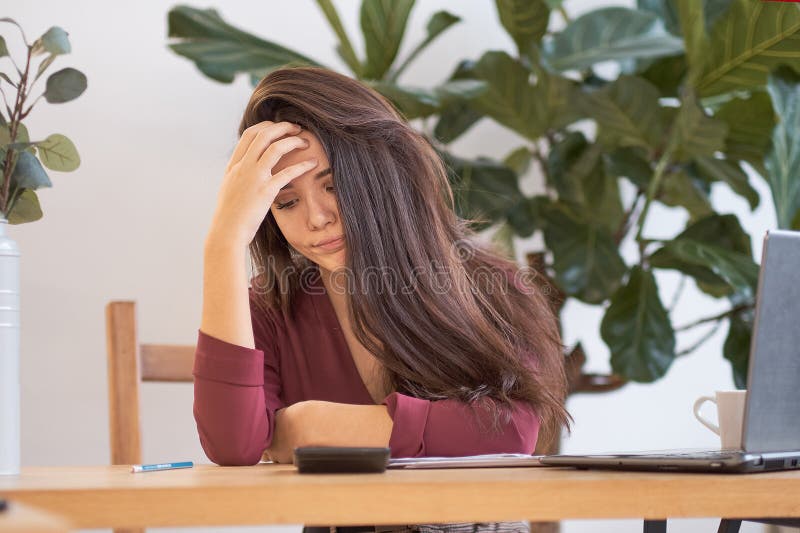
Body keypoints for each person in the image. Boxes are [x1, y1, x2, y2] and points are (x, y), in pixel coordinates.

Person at [194, 66, 571, 533]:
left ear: (380, 176)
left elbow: (513, 431)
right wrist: (223, 243)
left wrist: (315, 425)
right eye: (285, 202)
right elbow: (233, 445)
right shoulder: (271, 308)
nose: (315, 218)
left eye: (333, 186)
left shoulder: (493, 286)